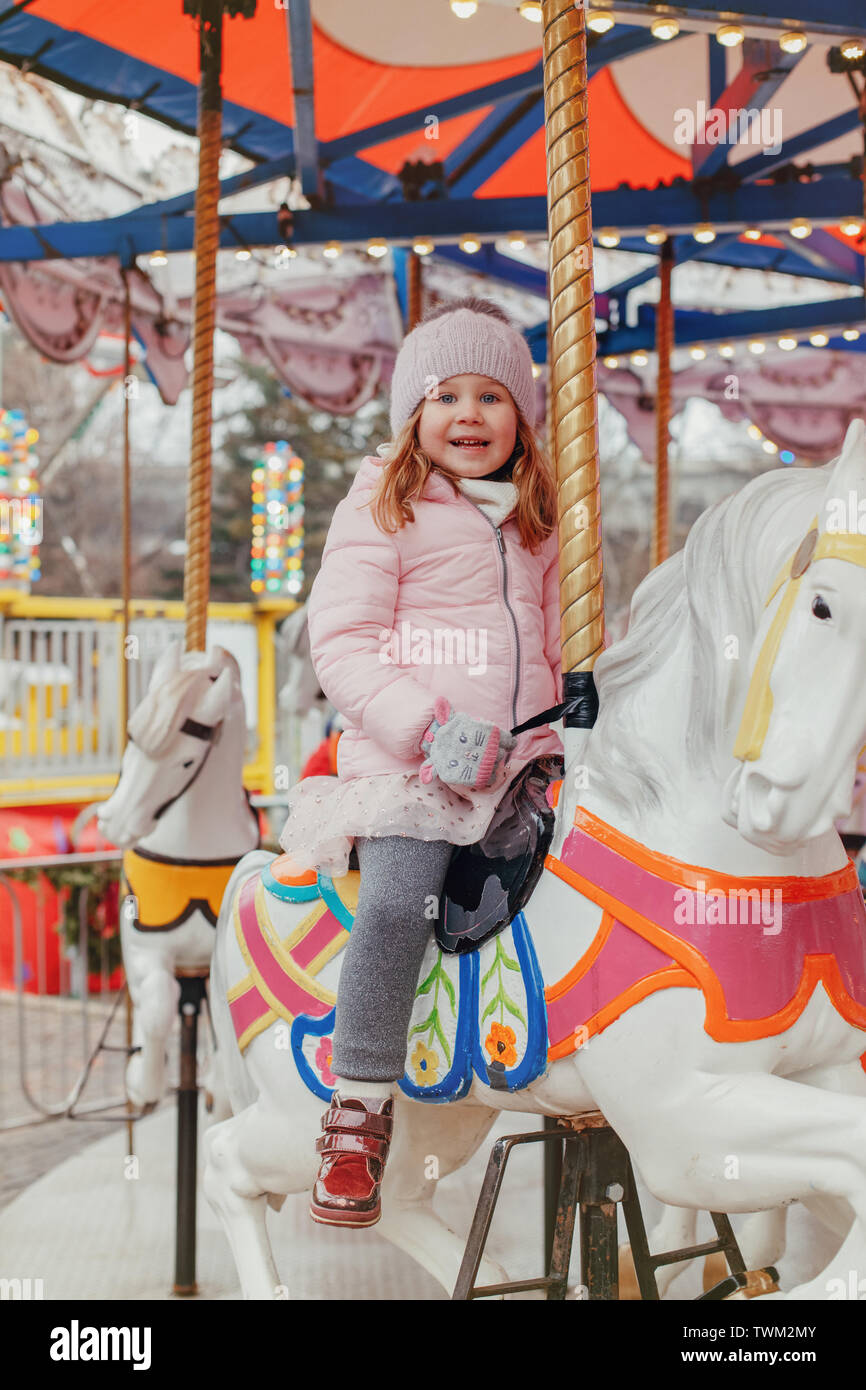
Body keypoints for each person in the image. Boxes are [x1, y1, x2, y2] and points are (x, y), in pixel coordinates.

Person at [278, 296, 564, 1227]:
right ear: (413, 414)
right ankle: (359, 1107)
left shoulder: (540, 518)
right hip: (418, 772)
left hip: (526, 762)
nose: (469, 415)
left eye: (492, 396)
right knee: (401, 903)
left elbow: (558, 642)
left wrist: (576, 714)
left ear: (521, 416)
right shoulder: (383, 505)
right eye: (447, 396)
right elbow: (344, 642)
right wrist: (426, 728)